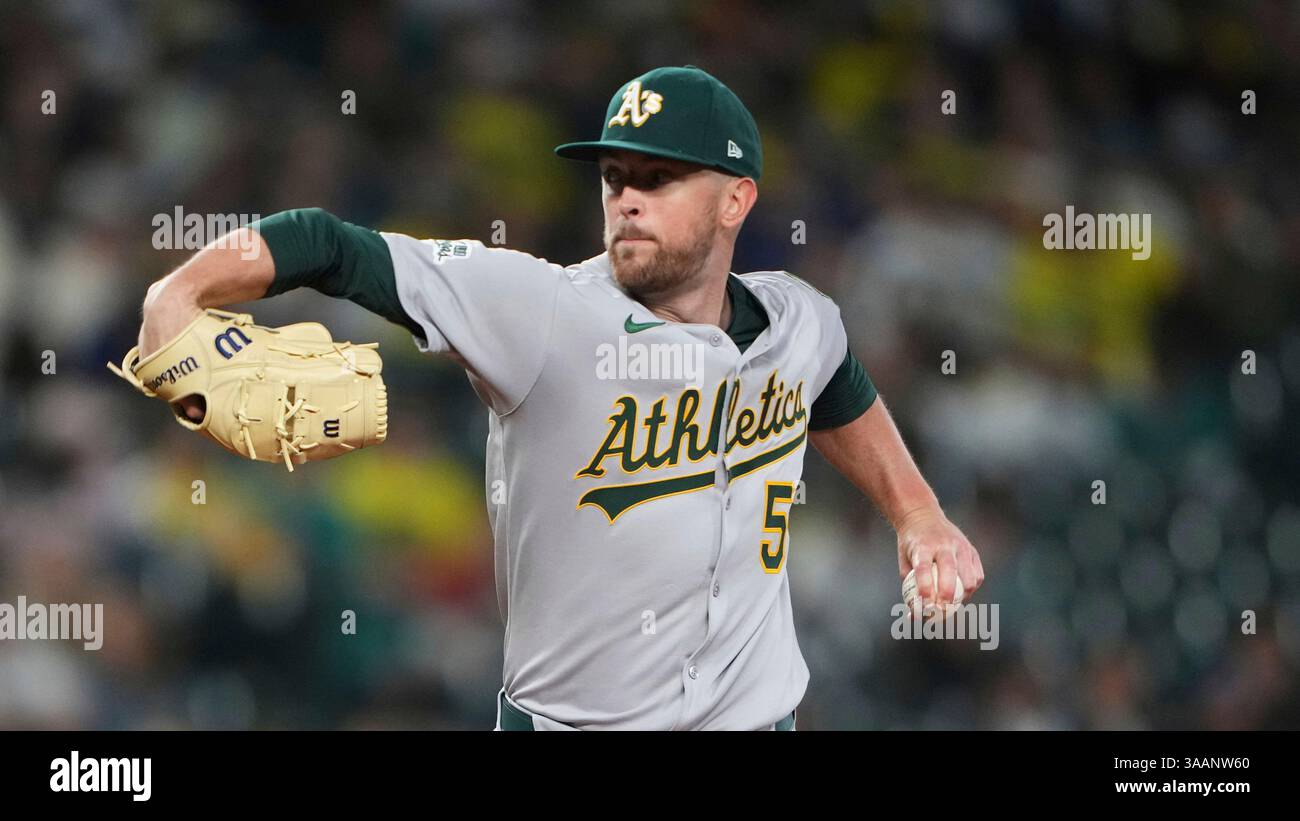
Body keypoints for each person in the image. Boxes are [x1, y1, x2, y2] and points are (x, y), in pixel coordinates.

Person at [132, 65, 984, 730]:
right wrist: (181, 291)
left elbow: (834, 383)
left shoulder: (798, 317)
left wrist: (918, 514)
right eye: (615, 176)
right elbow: (328, 244)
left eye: (659, 177)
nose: (628, 199)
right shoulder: (540, 309)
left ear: (737, 199)